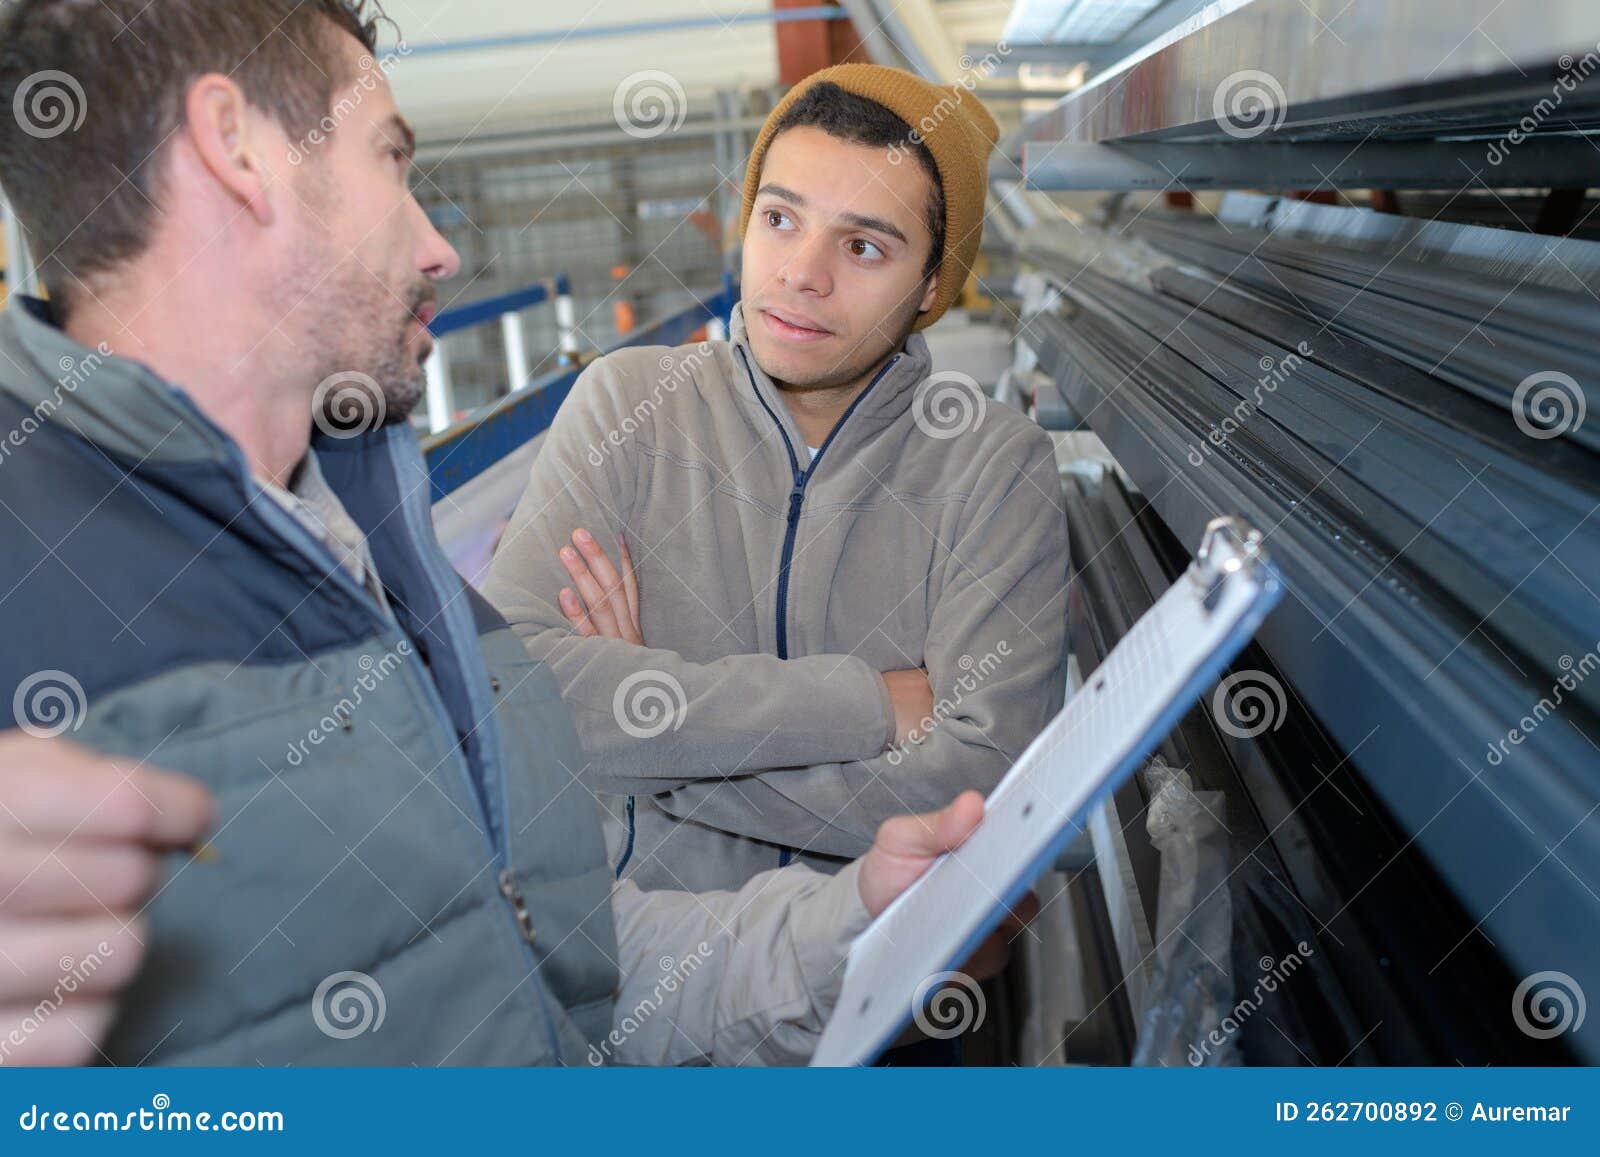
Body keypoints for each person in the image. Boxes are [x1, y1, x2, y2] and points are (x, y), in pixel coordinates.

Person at [0, 0, 1004, 1066]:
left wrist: (848, 921)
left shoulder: (383, 548)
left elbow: (555, 963)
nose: (440, 246)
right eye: (393, 161)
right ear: (238, 151)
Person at [483, 66, 1071, 895]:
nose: (802, 272)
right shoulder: (629, 407)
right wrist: (864, 704)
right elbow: (516, 699)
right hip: (635, 980)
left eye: (863, 245)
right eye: (780, 218)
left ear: (933, 285)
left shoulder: (994, 468)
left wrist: (648, 737)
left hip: (886, 986)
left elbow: (975, 786)